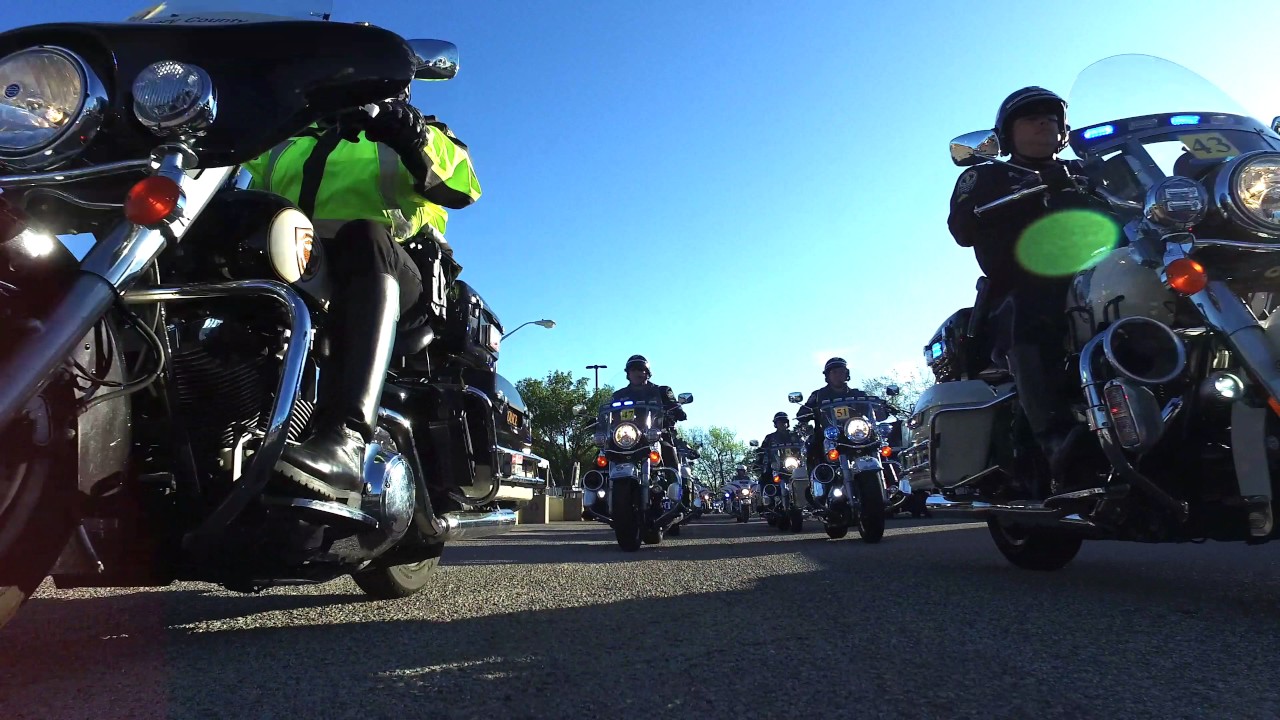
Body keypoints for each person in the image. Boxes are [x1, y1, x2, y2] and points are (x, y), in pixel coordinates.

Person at [242, 91, 482, 501]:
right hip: (298, 272)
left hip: (395, 273)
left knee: (363, 235)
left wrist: (412, 137)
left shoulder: (420, 129)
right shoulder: (286, 138)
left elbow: (464, 187)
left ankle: (347, 439)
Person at [947, 86, 1117, 489]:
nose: (1044, 123)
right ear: (1007, 134)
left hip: (1103, 273)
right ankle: (1056, 438)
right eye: (1030, 118)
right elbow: (962, 227)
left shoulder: (1088, 170)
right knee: (1033, 301)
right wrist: (1035, 192)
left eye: (1051, 117)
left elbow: (1138, 196)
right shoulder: (989, 174)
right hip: (1024, 283)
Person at [610, 355, 687, 471]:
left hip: (655, 434)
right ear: (628, 373)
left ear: (647, 373)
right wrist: (597, 420)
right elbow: (607, 411)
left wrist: (678, 410)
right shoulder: (618, 395)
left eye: (640, 369)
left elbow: (674, 404)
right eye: (633, 369)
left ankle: (675, 479)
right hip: (625, 436)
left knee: (668, 450)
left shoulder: (661, 391)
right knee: (603, 453)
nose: (637, 373)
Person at [798, 357, 873, 470]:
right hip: (828, 434)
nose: (838, 375)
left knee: (878, 442)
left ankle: (891, 474)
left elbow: (873, 410)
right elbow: (802, 413)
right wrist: (808, 412)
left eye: (842, 372)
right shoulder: (818, 395)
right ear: (827, 376)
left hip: (857, 433)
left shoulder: (858, 394)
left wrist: (883, 408)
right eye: (834, 372)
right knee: (812, 446)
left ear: (847, 374)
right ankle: (818, 477)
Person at [758, 411, 803, 482]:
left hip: (795, 464)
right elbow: (762, 450)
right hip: (776, 465)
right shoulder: (769, 437)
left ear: (787, 423)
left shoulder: (795, 435)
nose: (782, 424)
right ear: (775, 424)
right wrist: (760, 457)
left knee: (808, 474)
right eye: (779, 422)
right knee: (764, 477)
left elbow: (804, 446)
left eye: (784, 421)